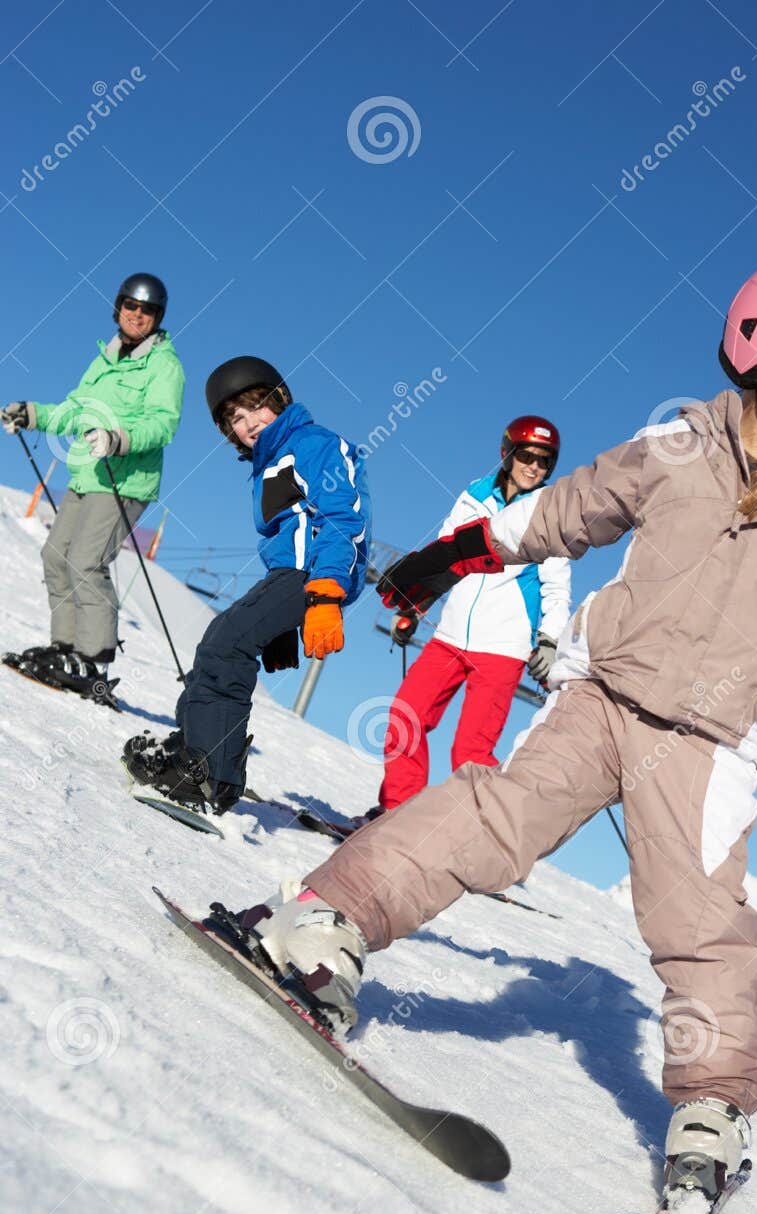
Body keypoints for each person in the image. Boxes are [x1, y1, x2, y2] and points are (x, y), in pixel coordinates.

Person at [215, 253, 757, 1214]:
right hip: (602, 698)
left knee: (701, 928)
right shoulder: (678, 444)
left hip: (714, 742)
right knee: (492, 818)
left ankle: (712, 1117)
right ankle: (324, 927)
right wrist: (445, 561)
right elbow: (565, 514)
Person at [123, 355, 370, 815]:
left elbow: (342, 518)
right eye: (234, 419)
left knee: (224, 646)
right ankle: (199, 750)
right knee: (221, 641)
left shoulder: (314, 444)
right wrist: (275, 625)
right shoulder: (268, 463)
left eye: (255, 407)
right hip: (290, 576)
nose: (248, 423)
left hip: (313, 575)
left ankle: (209, 776)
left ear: (280, 400)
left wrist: (324, 595)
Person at [360, 416, 570, 826]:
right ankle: (397, 818)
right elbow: (444, 555)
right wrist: (413, 607)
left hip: (503, 647)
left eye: (545, 462)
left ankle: (473, 842)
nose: (534, 467)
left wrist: (549, 639)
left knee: (471, 752)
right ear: (507, 453)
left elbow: (557, 588)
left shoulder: (549, 513)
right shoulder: (475, 494)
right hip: (451, 635)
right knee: (405, 718)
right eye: (527, 455)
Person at [2, 273, 184, 705]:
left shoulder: (164, 365)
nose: (137, 314)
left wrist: (119, 437)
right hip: (87, 475)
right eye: (130, 306)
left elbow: (164, 422)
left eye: (147, 310)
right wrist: (32, 414)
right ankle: (66, 649)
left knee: (86, 560)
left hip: (125, 481)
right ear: (118, 307)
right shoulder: (104, 361)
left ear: (157, 317)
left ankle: (94, 661)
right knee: (56, 555)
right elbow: (72, 410)